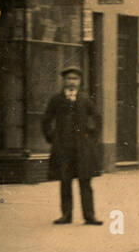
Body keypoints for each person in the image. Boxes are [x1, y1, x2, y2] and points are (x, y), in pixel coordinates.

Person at [42, 66, 103, 225]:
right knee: (65, 181)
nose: (72, 82)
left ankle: (89, 216)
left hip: (82, 148)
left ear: (80, 82)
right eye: (69, 79)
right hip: (63, 147)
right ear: (64, 81)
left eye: (75, 79)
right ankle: (66, 215)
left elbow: (97, 118)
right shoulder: (56, 99)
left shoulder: (85, 99)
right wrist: (52, 138)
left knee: (85, 181)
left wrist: (92, 138)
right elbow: (46, 119)